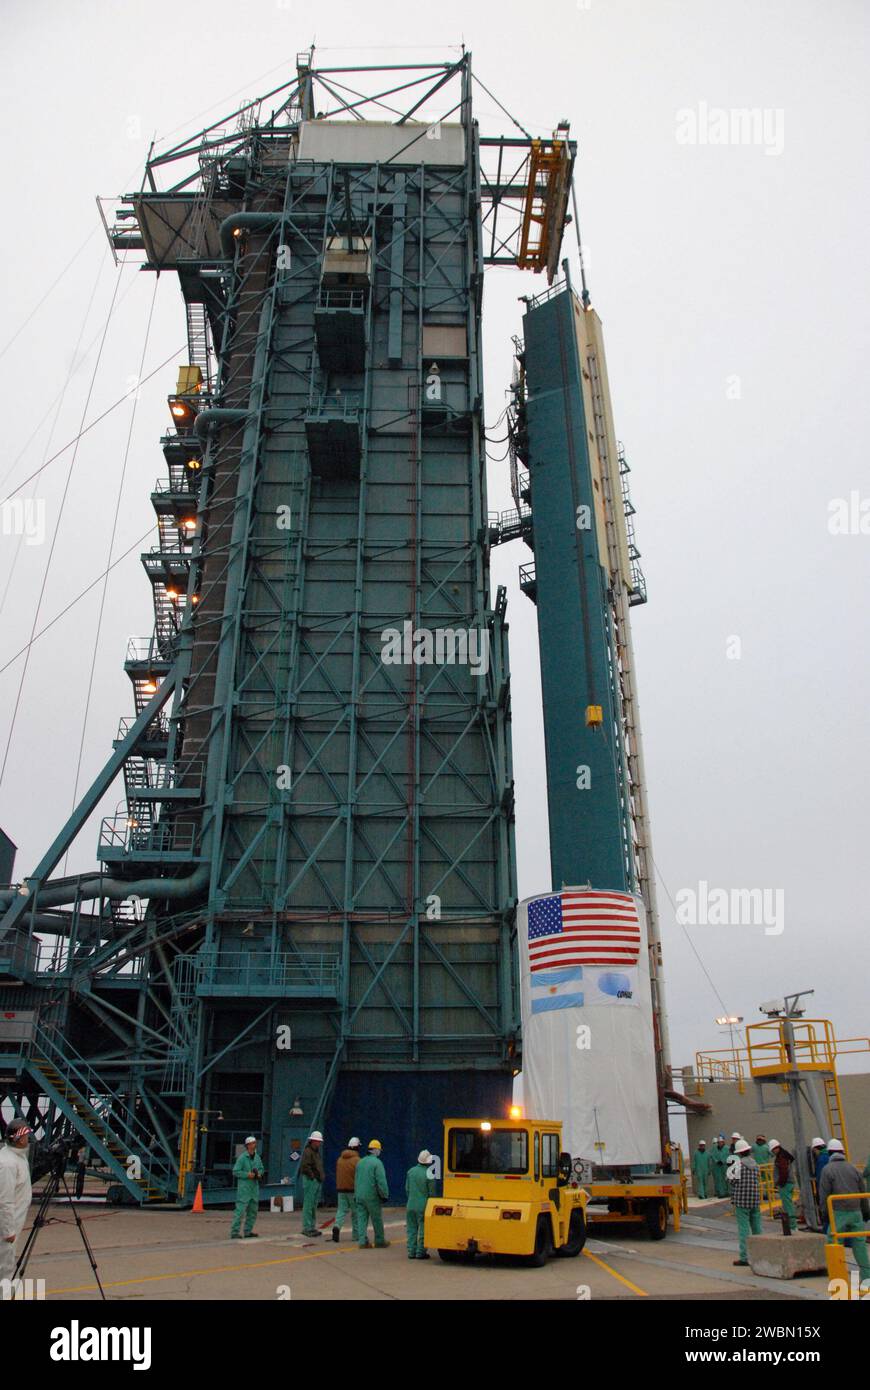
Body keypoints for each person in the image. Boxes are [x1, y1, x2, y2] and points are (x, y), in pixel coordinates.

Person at [818, 1139, 870, 1288]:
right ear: (842, 1153)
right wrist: (866, 1212)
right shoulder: (853, 1168)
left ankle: (838, 1279)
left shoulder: (827, 1170)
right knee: (859, 1246)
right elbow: (863, 1192)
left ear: (829, 1153)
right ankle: (867, 1279)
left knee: (834, 1244)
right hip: (856, 1213)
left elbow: (824, 1195)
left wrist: (824, 1214)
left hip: (838, 1213)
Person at [0, 1120, 32, 1285]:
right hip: (7, 1226)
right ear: (19, 1139)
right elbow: (5, 1201)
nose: (28, 1138)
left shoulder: (18, 1156)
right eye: (26, 1135)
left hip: (16, 1219)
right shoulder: (7, 1164)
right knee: (5, 1267)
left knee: (8, 1264)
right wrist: (8, 1231)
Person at [728, 1138, 761, 1267]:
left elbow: (730, 1181)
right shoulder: (755, 1164)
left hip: (742, 1201)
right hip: (755, 1200)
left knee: (744, 1229)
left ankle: (745, 1257)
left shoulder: (737, 1166)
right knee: (757, 1227)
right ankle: (759, 1253)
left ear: (739, 1153)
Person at [355, 1139, 390, 1248]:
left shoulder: (360, 1162)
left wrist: (356, 1194)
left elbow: (356, 1179)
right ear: (376, 1150)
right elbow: (381, 1181)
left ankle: (362, 1241)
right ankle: (379, 1240)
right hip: (372, 1196)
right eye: (379, 1150)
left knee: (361, 1219)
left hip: (359, 1195)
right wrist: (385, 1195)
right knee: (376, 1219)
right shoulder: (377, 1163)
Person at [230, 1135, 265, 1239]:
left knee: (252, 1211)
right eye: (253, 1143)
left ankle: (248, 1231)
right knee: (240, 1211)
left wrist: (259, 1174)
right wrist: (247, 1175)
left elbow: (261, 1169)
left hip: (254, 1188)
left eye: (255, 1143)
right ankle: (234, 1232)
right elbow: (235, 1172)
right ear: (248, 1145)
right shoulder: (242, 1158)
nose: (254, 1145)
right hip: (244, 1189)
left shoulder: (257, 1157)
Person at [405, 1149, 435, 1260]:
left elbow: (407, 1189)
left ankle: (411, 1251)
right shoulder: (430, 1174)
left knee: (411, 1229)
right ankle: (420, 1252)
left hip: (410, 1204)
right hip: (423, 1206)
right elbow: (432, 1193)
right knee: (423, 1229)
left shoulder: (410, 1171)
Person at [333, 1137, 361, 1244]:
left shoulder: (340, 1159)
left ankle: (337, 1226)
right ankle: (356, 1235)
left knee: (341, 1211)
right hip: (353, 1190)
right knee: (356, 1213)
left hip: (341, 1189)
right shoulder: (357, 1161)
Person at [768, 1139, 797, 1232]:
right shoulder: (785, 1155)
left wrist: (780, 1183)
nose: (772, 1152)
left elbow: (783, 1172)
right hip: (789, 1183)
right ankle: (792, 1225)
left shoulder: (781, 1157)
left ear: (776, 1148)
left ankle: (792, 1226)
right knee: (789, 1204)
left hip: (785, 1184)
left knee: (788, 1205)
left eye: (772, 1150)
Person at [300, 1130, 325, 1237]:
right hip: (311, 1181)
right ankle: (307, 1227)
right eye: (318, 1141)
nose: (319, 1143)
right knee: (308, 1204)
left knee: (313, 1205)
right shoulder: (308, 1152)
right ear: (313, 1141)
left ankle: (311, 1227)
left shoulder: (315, 1152)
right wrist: (313, 1176)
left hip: (316, 1180)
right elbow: (305, 1166)